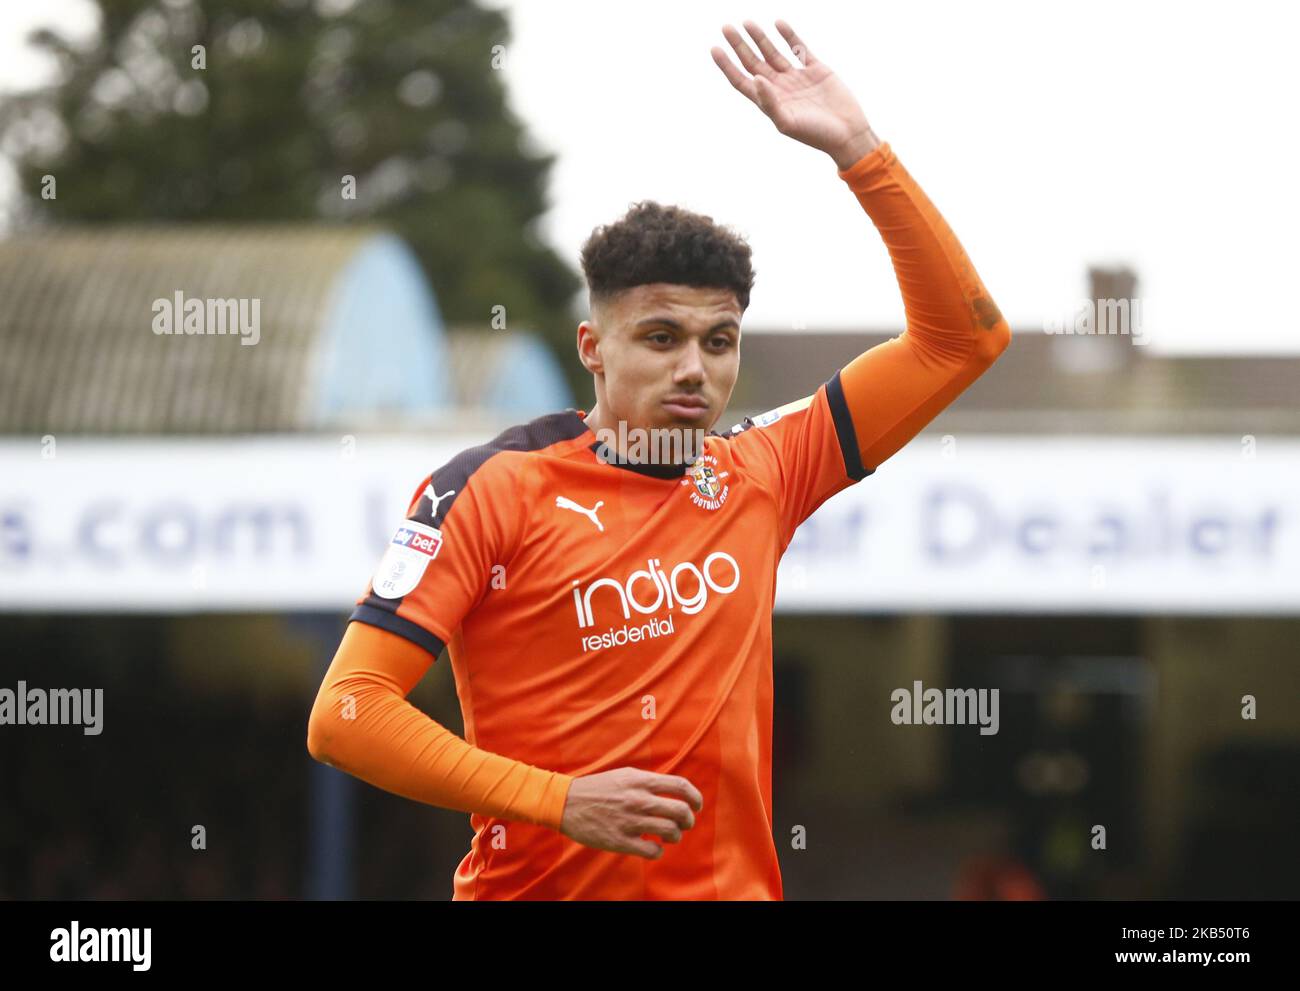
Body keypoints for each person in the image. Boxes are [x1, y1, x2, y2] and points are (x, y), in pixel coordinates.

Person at [307, 18, 1012, 899]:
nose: (695, 368)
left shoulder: (766, 470)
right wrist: (558, 800)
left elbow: (965, 340)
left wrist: (860, 152)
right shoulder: (491, 489)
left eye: (720, 340)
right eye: (661, 336)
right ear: (592, 346)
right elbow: (346, 713)